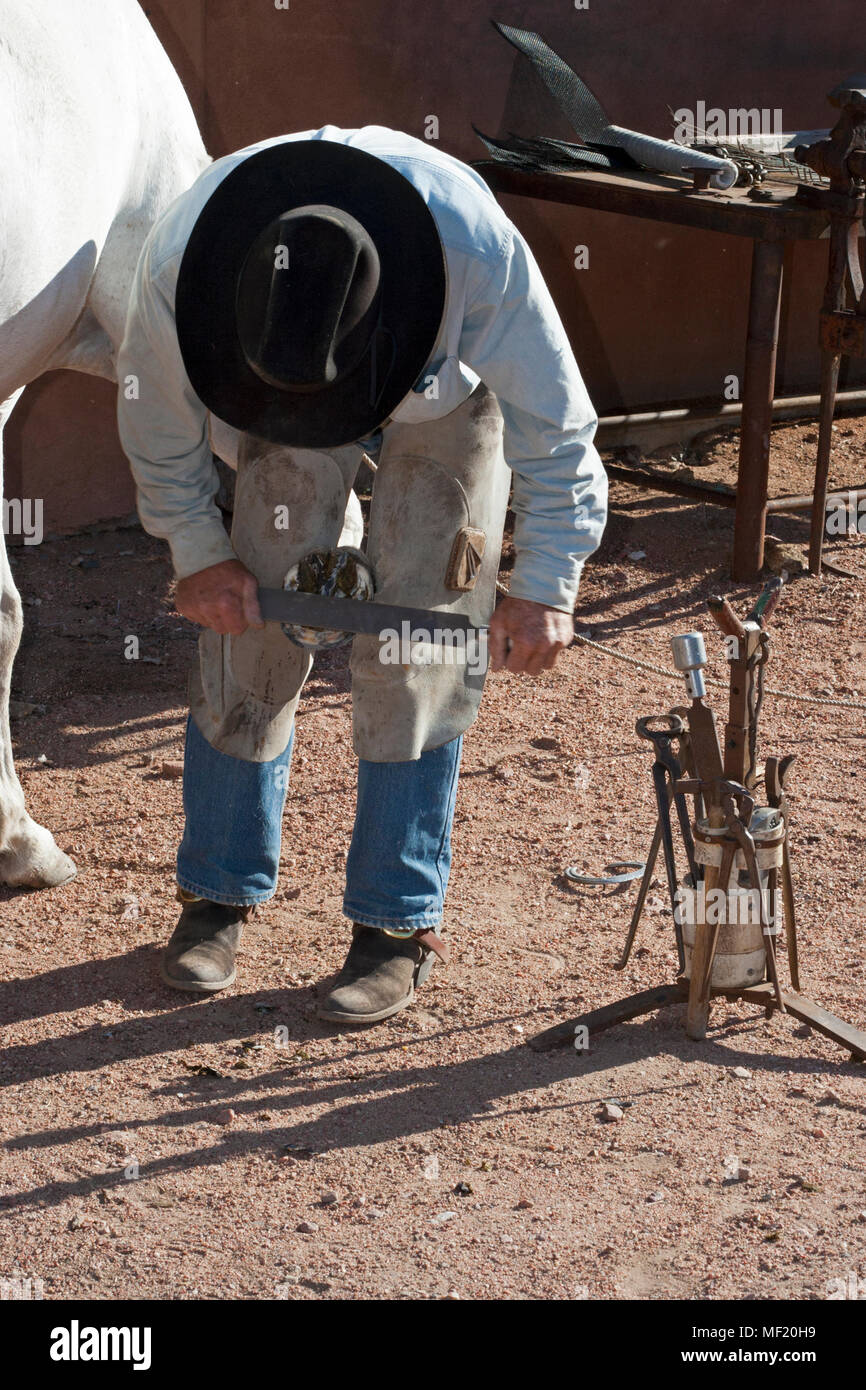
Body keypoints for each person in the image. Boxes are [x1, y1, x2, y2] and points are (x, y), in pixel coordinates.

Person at [116, 125, 607, 1025]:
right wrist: (198, 552)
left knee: (420, 646)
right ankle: (216, 893)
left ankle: (394, 922)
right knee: (249, 630)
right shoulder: (187, 257)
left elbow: (557, 424)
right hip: (279, 390)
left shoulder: (474, 250)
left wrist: (545, 580)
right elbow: (156, 413)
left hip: (446, 391)